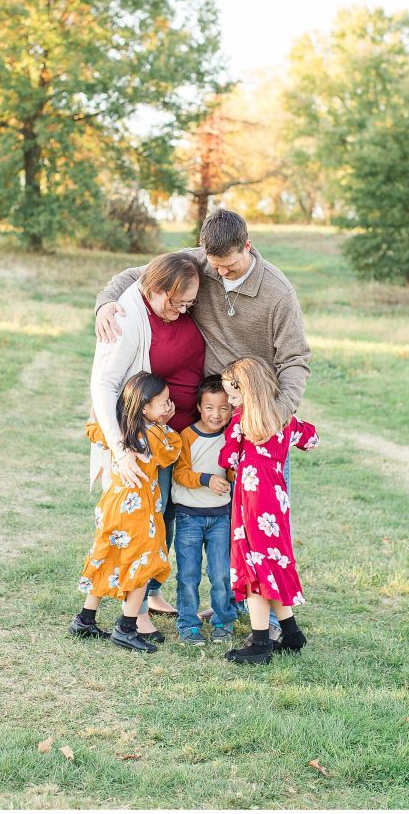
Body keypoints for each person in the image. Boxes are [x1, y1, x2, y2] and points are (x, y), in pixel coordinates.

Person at [93, 209, 311, 642]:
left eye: (229, 265)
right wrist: (105, 303)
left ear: (247, 246)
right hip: (204, 412)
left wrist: (272, 418)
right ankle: (173, 595)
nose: (219, 272)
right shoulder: (201, 263)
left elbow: (295, 360)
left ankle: (262, 614)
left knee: (258, 519)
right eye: (214, 265)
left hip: (254, 419)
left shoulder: (277, 292)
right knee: (185, 506)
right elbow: (137, 276)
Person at [88, 251, 205, 635]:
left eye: (189, 304)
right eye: (177, 302)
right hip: (142, 445)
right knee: (142, 526)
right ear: (155, 289)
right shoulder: (126, 316)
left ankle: (149, 594)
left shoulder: (177, 294)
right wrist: (121, 449)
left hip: (175, 438)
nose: (183, 310)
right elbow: (104, 386)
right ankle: (132, 615)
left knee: (165, 516)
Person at [69, 373, 182, 653]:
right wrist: (164, 424)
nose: (168, 407)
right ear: (144, 407)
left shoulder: (117, 431)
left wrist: (97, 399)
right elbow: (172, 451)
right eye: (164, 403)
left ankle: (85, 619)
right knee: (143, 565)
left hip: (112, 504)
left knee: (106, 556)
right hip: (139, 510)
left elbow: (92, 428)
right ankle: (127, 628)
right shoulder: (154, 435)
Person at [218, 356, 319, 666]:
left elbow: (227, 459)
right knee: (271, 562)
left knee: (254, 566)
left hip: (252, 501)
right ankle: (291, 633)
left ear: (247, 392)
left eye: (233, 396)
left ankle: (260, 644)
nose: (231, 402)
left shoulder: (241, 421)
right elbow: (311, 439)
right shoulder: (284, 419)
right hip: (275, 498)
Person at [171, 375, 237, 646]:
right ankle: (188, 623)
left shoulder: (232, 436)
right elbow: (180, 473)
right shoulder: (187, 436)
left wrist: (232, 474)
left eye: (223, 408)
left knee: (221, 573)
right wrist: (206, 479)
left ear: (231, 409)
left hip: (221, 516)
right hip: (189, 516)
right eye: (209, 407)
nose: (216, 414)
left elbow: (232, 468)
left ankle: (223, 620)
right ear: (199, 407)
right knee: (188, 575)